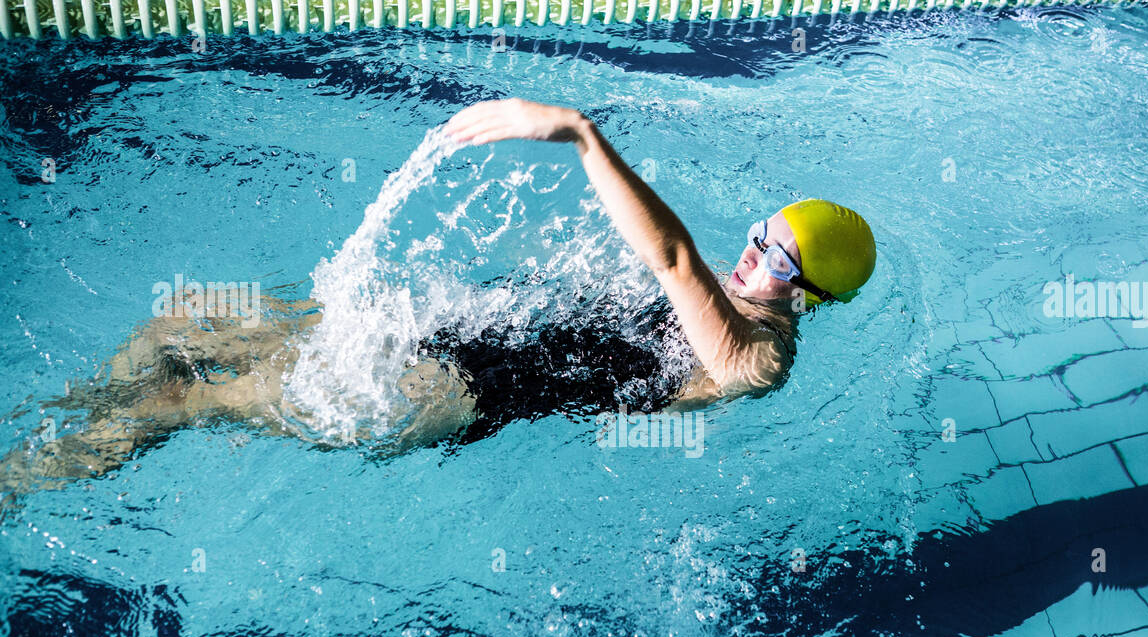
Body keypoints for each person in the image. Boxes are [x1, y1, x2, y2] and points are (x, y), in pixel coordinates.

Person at [0, 98, 876, 508]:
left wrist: (578, 133)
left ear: (810, 293)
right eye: (760, 232)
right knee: (187, 317)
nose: (749, 253)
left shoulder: (756, 360)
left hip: (450, 398)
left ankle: (20, 481)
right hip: (450, 335)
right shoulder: (740, 303)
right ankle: (63, 414)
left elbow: (674, 257)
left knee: (183, 397)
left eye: (775, 257)